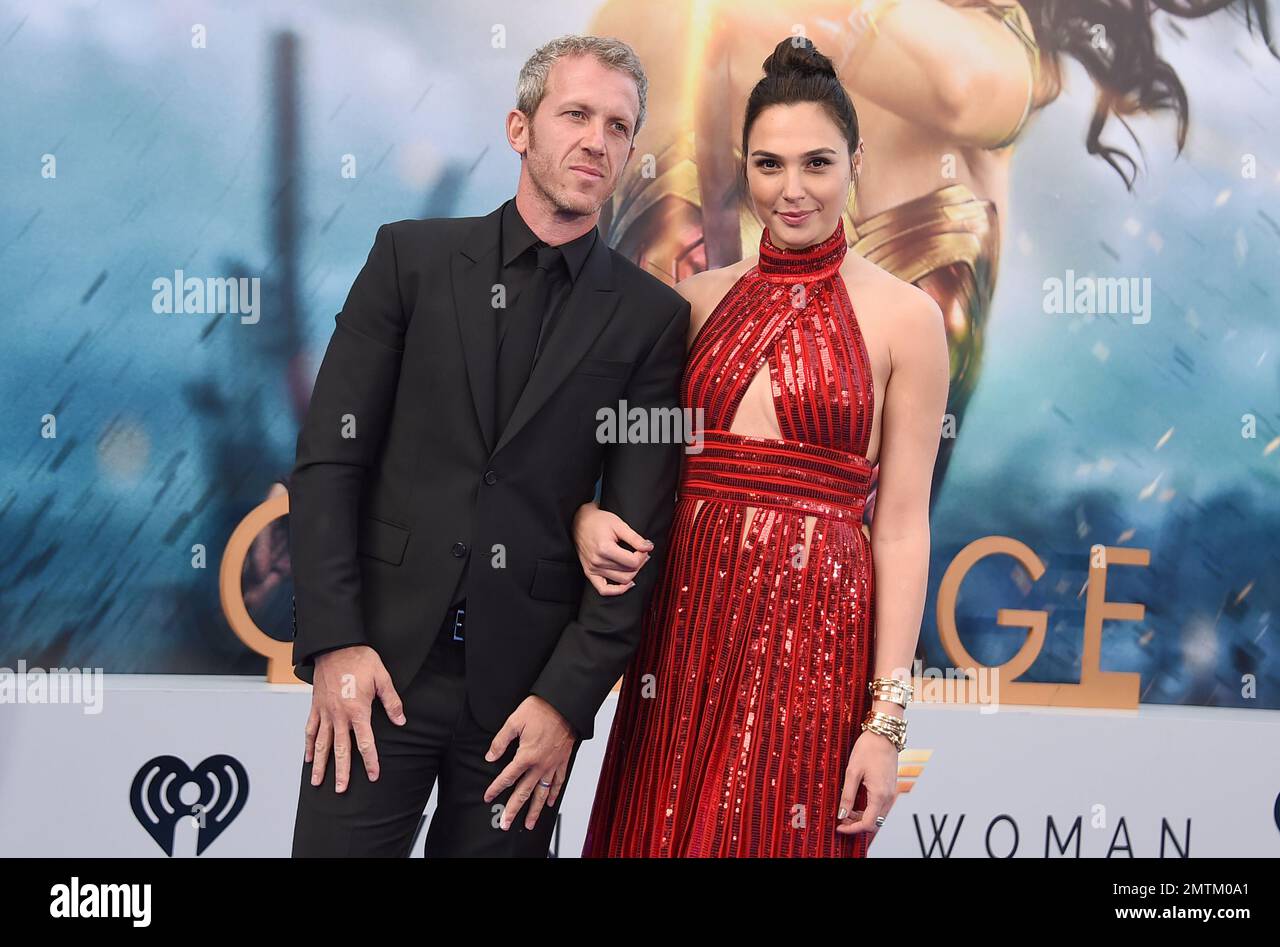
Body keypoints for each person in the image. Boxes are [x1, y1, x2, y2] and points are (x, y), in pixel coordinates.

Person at [288, 34, 689, 857]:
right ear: (520, 128)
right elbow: (331, 459)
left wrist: (567, 704)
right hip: (377, 671)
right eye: (575, 113)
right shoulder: (411, 260)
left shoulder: (651, 319)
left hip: (525, 708)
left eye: (618, 126)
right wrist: (334, 641)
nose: (595, 140)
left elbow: (636, 545)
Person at [576, 38, 949, 856]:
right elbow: (623, 456)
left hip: (819, 646)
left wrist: (886, 722)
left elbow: (902, 528)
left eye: (817, 162)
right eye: (769, 164)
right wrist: (583, 515)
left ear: (858, 161)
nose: (792, 189)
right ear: (743, 167)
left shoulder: (907, 320)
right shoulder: (692, 302)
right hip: (683, 632)